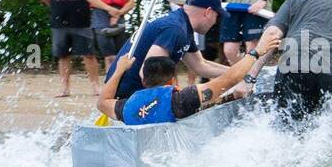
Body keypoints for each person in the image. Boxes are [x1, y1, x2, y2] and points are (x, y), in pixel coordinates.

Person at [100, 33, 263, 125]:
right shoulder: (181, 100)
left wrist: (119, 70)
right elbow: (230, 79)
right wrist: (257, 52)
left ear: (143, 82)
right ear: (172, 81)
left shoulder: (126, 106)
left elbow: (102, 102)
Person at [100, 0, 230, 104]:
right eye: (217, 16)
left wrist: (238, 72)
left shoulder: (183, 25)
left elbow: (201, 65)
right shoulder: (175, 29)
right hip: (125, 97)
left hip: (130, 92)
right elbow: (147, 73)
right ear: (208, 12)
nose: (215, 22)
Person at [38, 0, 99, 97]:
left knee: (89, 54)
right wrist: (57, 7)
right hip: (59, 20)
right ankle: (64, 88)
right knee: (63, 55)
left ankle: (95, 86)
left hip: (83, 20)